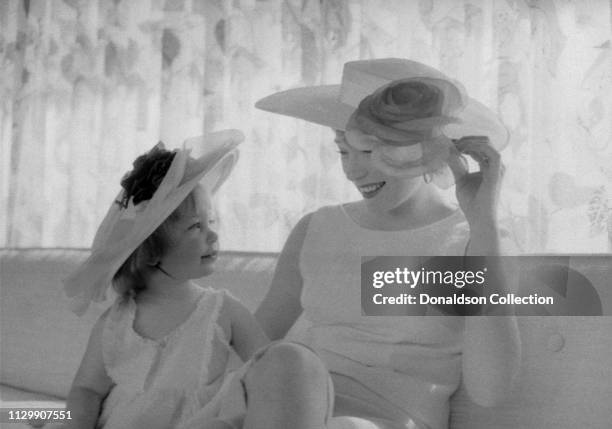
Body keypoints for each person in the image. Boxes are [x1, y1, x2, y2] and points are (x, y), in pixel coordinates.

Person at [251, 58, 521, 429]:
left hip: (387, 421)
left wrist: (483, 225)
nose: (353, 170)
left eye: (369, 150)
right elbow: (252, 345)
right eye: (343, 150)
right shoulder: (316, 227)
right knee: (283, 362)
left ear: (427, 147)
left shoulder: (470, 240)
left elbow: (490, 390)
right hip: (298, 410)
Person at [59, 131, 269, 429]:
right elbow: (87, 389)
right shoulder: (115, 322)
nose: (214, 235)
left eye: (212, 222)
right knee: (24, 415)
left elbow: (271, 369)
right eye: (196, 226)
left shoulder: (223, 311)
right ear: (152, 250)